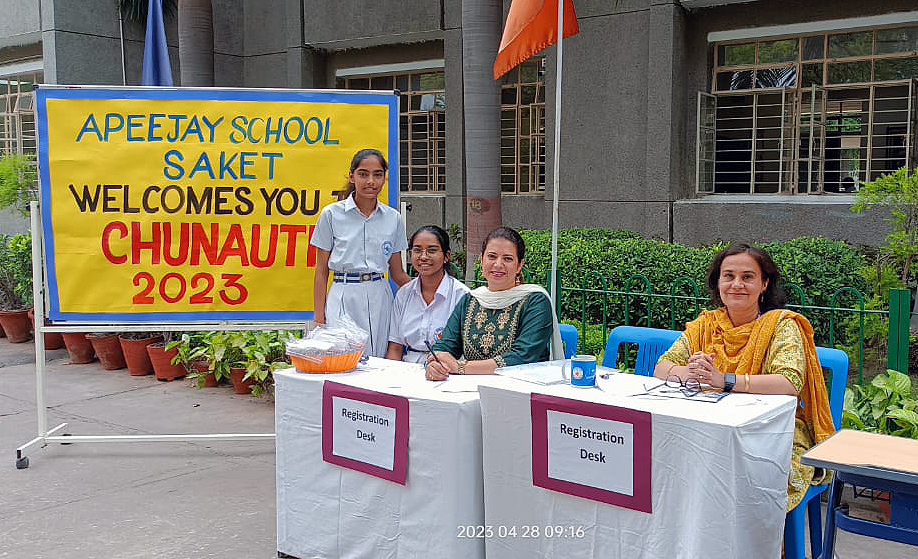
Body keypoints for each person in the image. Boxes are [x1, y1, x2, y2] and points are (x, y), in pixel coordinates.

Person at [655, 242, 835, 511]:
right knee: (666, 459)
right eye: (728, 276)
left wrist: (724, 380)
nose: (736, 284)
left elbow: (789, 382)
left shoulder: (781, 325)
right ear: (717, 282)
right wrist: (690, 372)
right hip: (711, 425)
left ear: (764, 284)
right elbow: (662, 367)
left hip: (775, 431)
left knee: (750, 475)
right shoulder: (706, 324)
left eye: (747, 277)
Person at [426, 226, 564, 379]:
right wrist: (435, 364)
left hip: (520, 390)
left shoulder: (535, 300)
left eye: (508, 259)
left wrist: (461, 367)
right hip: (468, 389)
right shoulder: (470, 299)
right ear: (481, 259)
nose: (498, 264)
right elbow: (444, 346)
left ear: (519, 265)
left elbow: (522, 358)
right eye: (491, 256)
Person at [311, 148, 411, 357]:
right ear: (352, 175)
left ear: (384, 178)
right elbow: (321, 271)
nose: (370, 181)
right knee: (342, 357)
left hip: (379, 295)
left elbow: (397, 273)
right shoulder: (331, 214)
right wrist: (319, 320)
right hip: (343, 292)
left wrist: (432, 289)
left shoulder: (393, 219)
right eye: (363, 174)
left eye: (377, 174)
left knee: (377, 358)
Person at [386, 225, 470, 364]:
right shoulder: (404, 294)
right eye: (417, 250)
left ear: (446, 256)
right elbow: (395, 348)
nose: (423, 257)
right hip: (407, 369)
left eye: (432, 250)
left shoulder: (462, 296)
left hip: (448, 369)